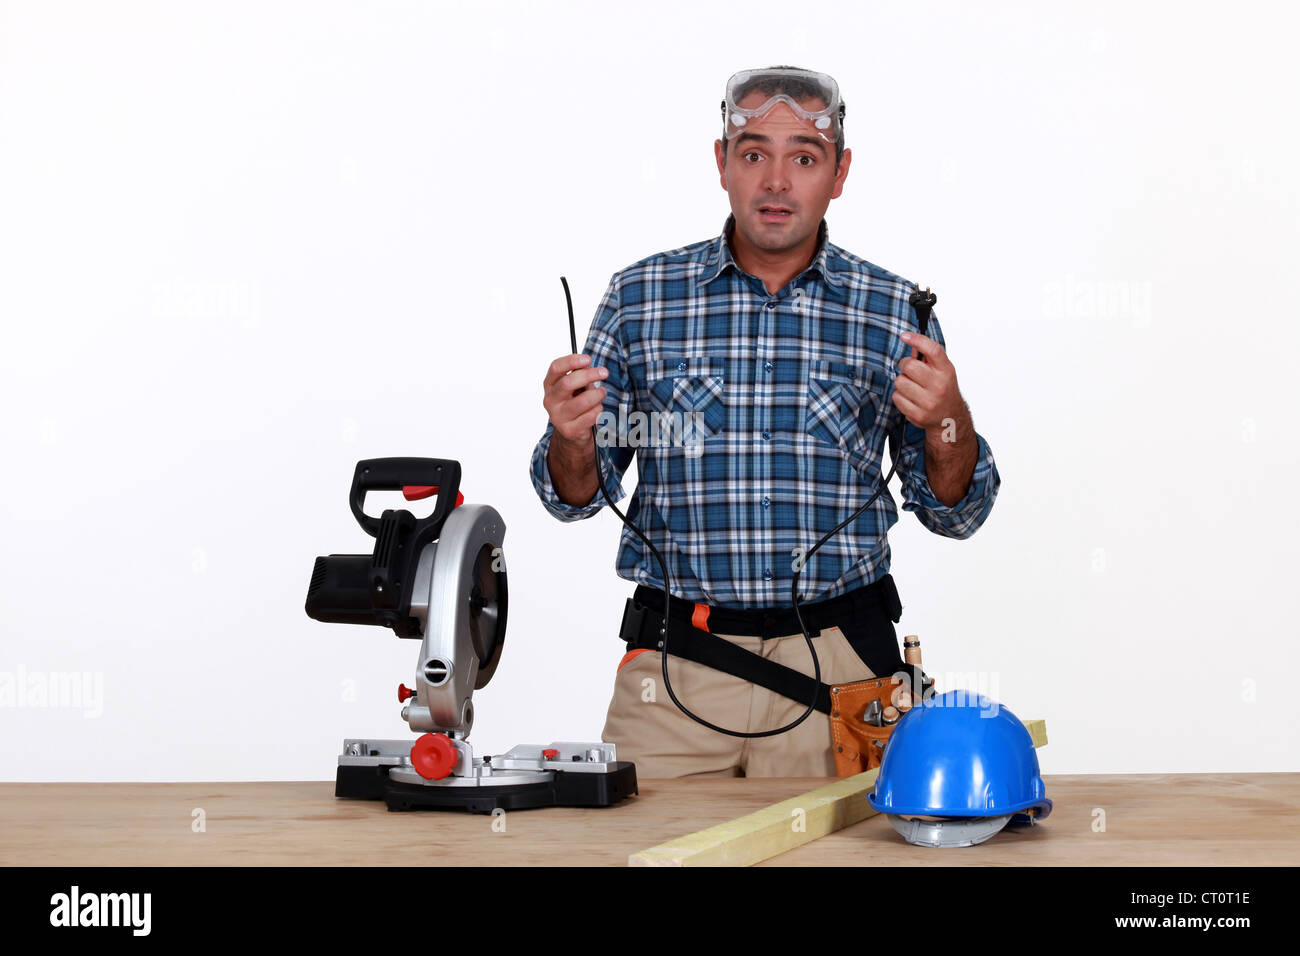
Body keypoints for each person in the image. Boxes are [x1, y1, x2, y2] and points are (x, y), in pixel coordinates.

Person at [528, 66, 1000, 778]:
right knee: (635, 840)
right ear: (722, 163)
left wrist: (948, 422)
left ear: (839, 173)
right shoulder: (639, 297)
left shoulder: (894, 309)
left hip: (841, 672)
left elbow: (957, 515)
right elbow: (574, 498)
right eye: (754, 154)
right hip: (674, 669)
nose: (776, 181)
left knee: (849, 844)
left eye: (804, 158)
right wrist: (572, 438)